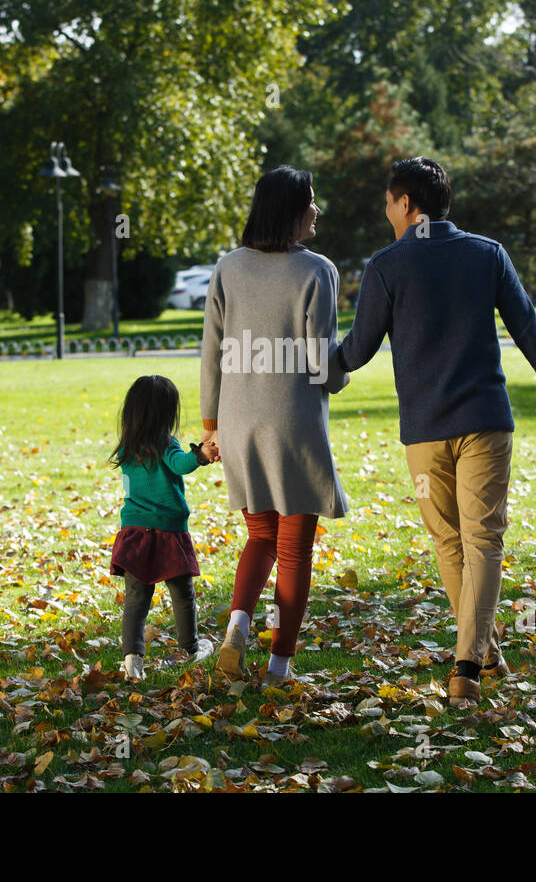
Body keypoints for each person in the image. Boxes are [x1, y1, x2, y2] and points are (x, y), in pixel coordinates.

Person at [333, 157, 536, 705]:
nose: (386, 212)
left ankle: (466, 661)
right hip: (486, 422)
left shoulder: (386, 265)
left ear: (407, 204)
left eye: (389, 203)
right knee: (483, 540)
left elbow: (357, 349)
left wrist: (313, 370)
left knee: (451, 541)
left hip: (424, 432)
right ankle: (481, 652)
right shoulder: (486, 254)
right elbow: (528, 330)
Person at [201, 166, 350, 687]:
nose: (317, 209)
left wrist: (211, 423)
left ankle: (237, 625)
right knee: (294, 548)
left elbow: (211, 351)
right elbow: (321, 361)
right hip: (293, 419)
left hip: (237, 418)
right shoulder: (318, 271)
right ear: (290, 209)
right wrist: (343, 371)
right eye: (311, 200)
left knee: (259, 535)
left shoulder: (227, 268)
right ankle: (280, 666)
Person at [109, 375, 220, 682]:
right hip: (169, 532)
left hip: (134, 533)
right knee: (182, 594)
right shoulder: (166, 444)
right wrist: (200, 454)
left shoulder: (126, 449)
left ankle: (132, 660)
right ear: (166, 413)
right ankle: (189, 649)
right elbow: (181, 464)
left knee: (136, 599)